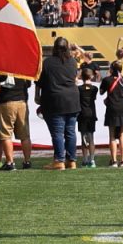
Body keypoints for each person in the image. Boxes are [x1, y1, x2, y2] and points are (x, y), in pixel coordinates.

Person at [39, 39, 85, 171]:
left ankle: (59, 160)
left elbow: (41, 81)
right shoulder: (72, 62)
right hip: (72, 99)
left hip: (55, 100)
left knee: (58, 133)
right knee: (70, 131)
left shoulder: (47, 62)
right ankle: (71, 161)